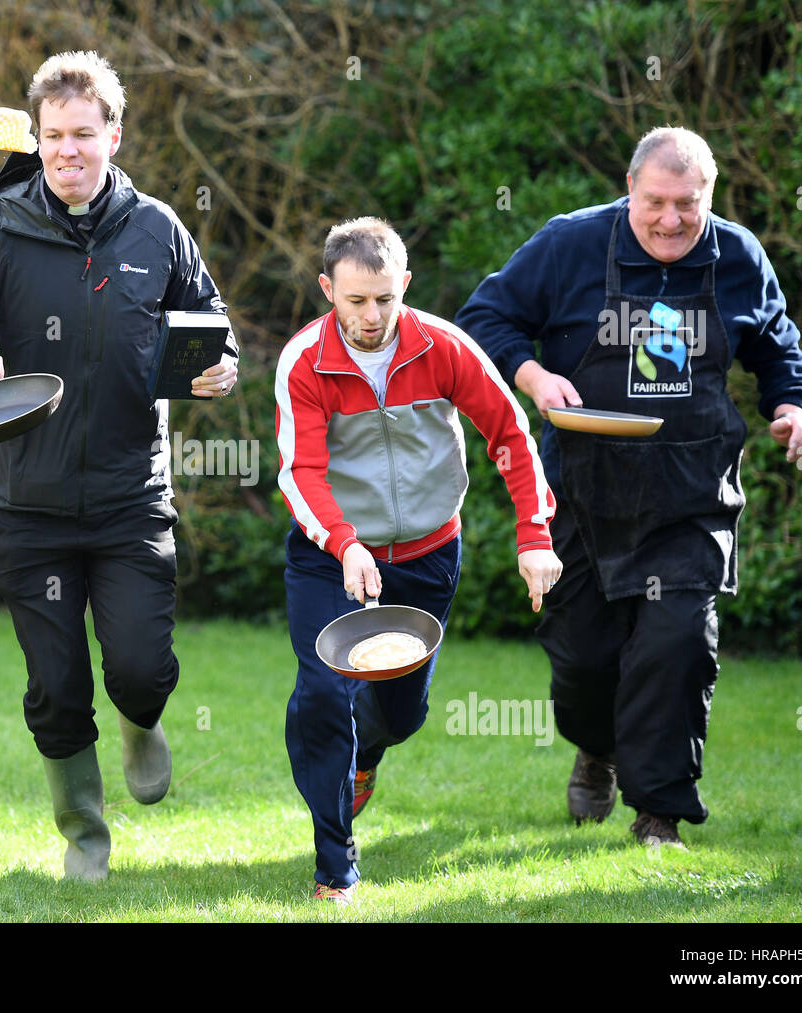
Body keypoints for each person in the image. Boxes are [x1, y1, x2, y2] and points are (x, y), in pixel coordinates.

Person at [0, 51, 237, 881]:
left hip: (133, 500)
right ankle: (84, 833)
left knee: (139, 666)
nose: (66, 151)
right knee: (55, 687)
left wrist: (219, 362)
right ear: (37, 137)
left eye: (83, 135)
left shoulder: (158, 228)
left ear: (114, 136)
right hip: (29, 503)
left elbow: (210, 324)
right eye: (53, 135)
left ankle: (142, 716)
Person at [455, 126, 802, 848]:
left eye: (690, 203)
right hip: (582, 491)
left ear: (709, 196)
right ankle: (598, 746)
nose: (673, 219)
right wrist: (532, 376)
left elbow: (777, 345)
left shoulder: (738, 256)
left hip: (691, 494)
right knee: (584, 660)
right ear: (629, 191)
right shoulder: (568, 245)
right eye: (657, 201)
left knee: (678, 641)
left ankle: (660, 815)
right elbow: (483, 319)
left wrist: (792, 407)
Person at [275, 217, 561, 903]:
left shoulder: (444, 348)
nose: (371, 317)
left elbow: (511, 435)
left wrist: (535, 536)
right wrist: (346, 544)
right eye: (354, 302)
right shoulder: (304, 361)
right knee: (324, 692)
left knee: (400, 714)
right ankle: (334, 867)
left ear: (404, 285)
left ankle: (364, 754)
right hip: (330, 556)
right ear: (327, 290)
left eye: (384, 299)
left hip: (429, 555)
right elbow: (300, 472)